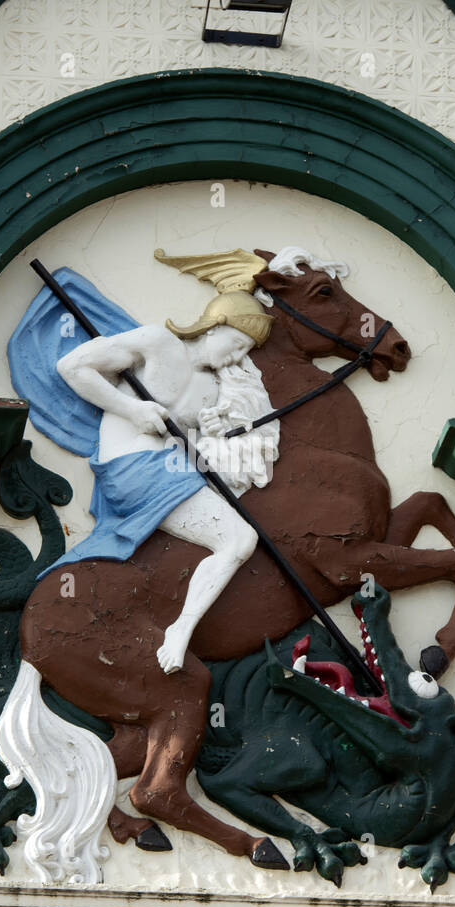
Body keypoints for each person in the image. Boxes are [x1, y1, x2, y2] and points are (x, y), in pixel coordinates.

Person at [53, 278, 277, 674]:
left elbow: (185, 443)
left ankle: (179, 626)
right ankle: (180, 630)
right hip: (132, 468)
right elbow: (73, 367)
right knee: (240, 538)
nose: (237, 358)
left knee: (238, 538)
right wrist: (131, 409)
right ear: (215, 324)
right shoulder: (157, 343)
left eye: (247, 352)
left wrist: (205, 430)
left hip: (168, 470)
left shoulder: (212, 389)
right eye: (238, 344)